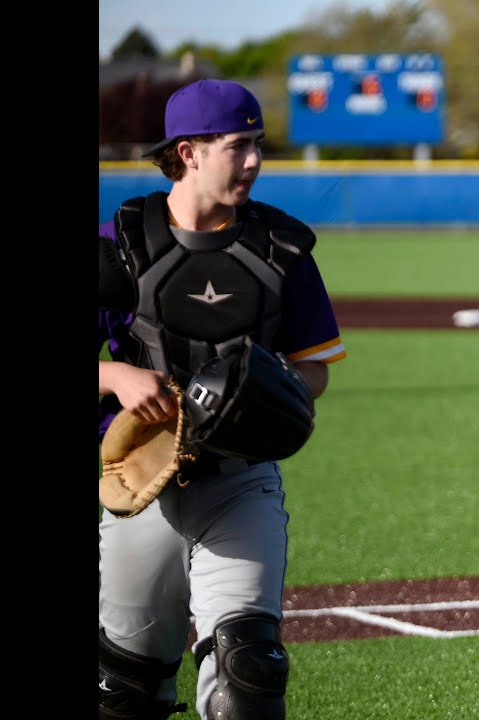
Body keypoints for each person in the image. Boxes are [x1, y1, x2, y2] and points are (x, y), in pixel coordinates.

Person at [98, 78, 348, 720]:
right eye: (238, 146)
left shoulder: (282, 248)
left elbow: (313, 368)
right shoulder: (119, 244)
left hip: (241, 484)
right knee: (126, 691)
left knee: (249, 673)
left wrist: (272, 390)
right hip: (141, 487)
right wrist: (116, 376)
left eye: (258, 144)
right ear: (188, 152)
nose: (255, 161)